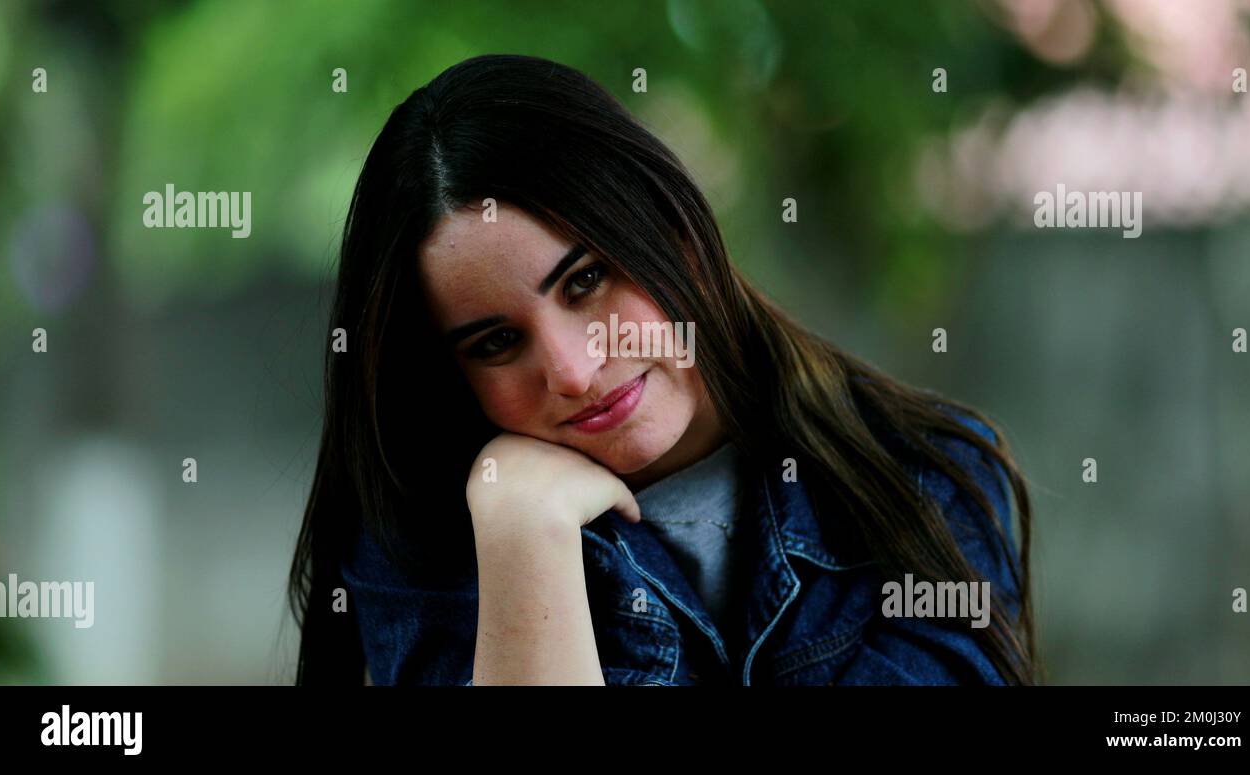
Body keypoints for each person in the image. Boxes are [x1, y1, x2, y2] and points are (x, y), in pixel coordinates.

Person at [287, 53, 1038, 685]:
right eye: (495, 343)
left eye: (585, 281)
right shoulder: (426, 542)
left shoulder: (920, 480)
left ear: (676, 229)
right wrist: (525, 539)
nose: (574, 371)